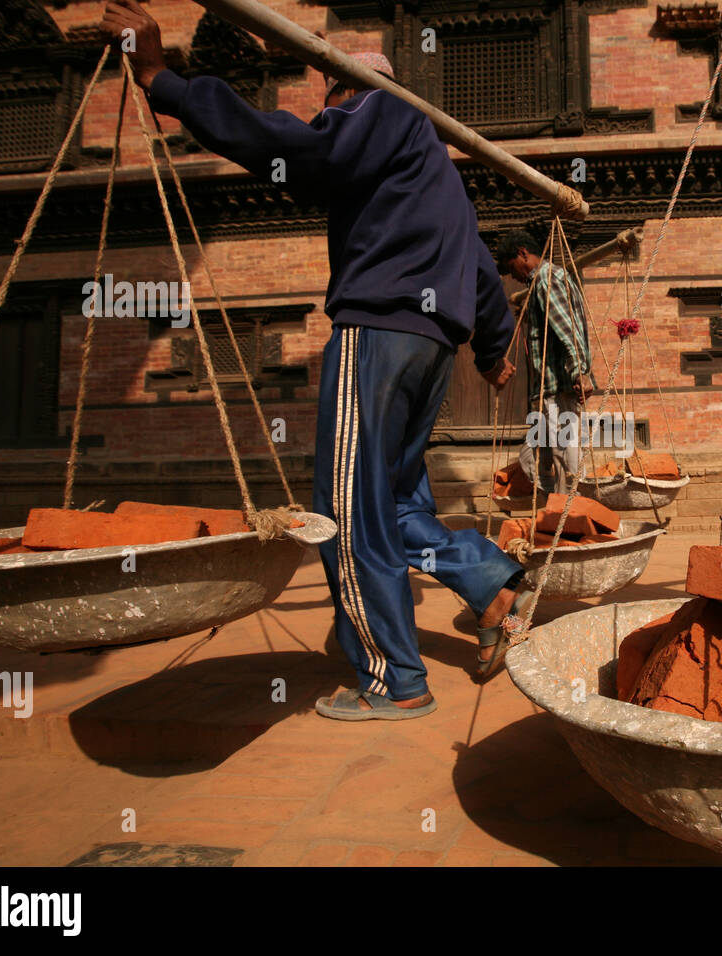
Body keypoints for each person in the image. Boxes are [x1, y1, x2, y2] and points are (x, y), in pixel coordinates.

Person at [101, 0, 532, 712]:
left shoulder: (383, 114)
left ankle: (391, 680)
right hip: (430, 349)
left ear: (347, 96)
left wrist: (164, 82)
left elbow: (300, 151)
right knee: (391, 505)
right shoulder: (440, 174)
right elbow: (484, 278)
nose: (329, 117)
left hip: (378, 334)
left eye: (331, 104)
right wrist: (490, 352)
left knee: (343, 509)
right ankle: (488, 583)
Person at [496, 230, 596, 494]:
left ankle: (570, 513)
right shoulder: (543, 283)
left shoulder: (547, 279)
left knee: (566, 454)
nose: (513, 277)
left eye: (511, 268)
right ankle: (556, 504)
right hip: (547, 389)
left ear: (522, 254)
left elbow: (567, 330)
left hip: (560, 386)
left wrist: (579, 372)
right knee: (531, 457)